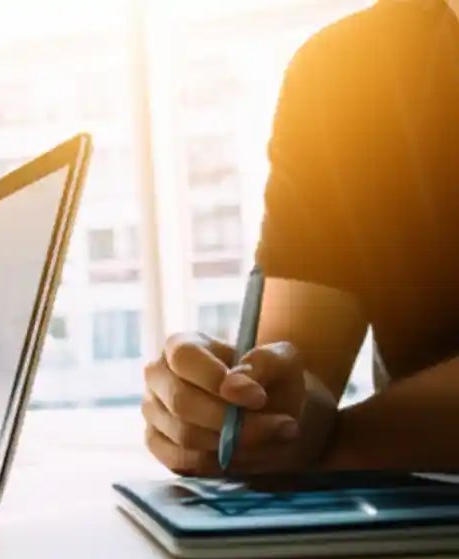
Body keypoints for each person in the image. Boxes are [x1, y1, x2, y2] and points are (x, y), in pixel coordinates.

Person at [142, 0, 459, 477]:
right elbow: (293, 378)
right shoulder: (345, 72)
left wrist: (321, 446)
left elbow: (306, 440)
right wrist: (232, 412)